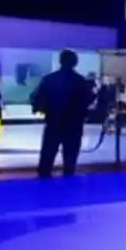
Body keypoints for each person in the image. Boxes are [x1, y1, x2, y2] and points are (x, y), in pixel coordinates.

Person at [32, 50, 94, 179]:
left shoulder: (49, 79)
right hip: (73, 126)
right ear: (75, 62)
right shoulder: (80, 81)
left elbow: (38, 99)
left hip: (53, 123)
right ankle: (68, 187)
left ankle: (42, 186)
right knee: (70, 161)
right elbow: (88, 100)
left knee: (47, 158)